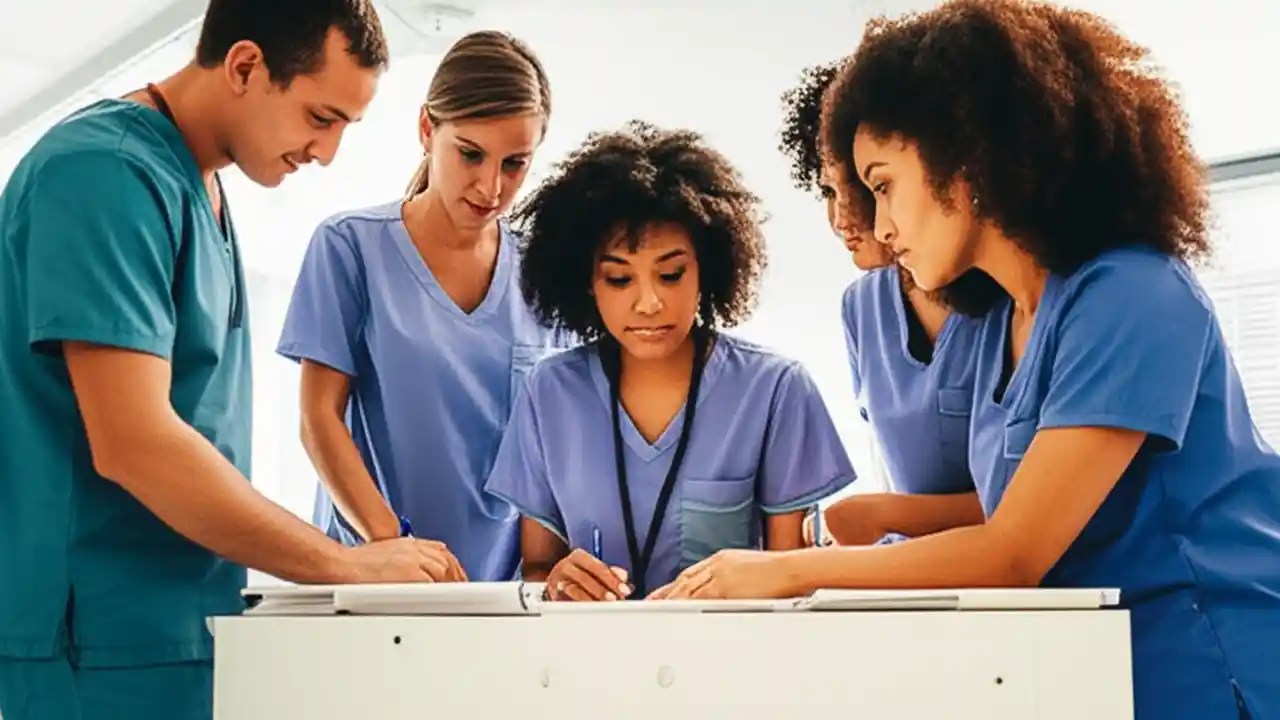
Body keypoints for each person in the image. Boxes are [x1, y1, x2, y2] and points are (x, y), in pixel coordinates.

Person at [656, 2, 1280, 718]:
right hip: (1095, 676)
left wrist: (784, 573)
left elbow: (1013, 552)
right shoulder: (1004, 323)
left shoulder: (1134, 292)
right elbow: (1014, 511)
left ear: (965, 159)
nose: (880, 226)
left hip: (1212, 666)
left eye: (883, 185)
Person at [0, 2, 467, 719]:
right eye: (320, 117)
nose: (327, 152)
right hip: (95, 644)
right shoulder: (103, 174)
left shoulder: (201, 188)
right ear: (245, 66)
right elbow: (133, 441)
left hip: (177, 631)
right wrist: (340, 563)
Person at [484, 121, 856, 600]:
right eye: (620, 279)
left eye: (672, 274)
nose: (649, 303)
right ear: (586, 282)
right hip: (588, 647)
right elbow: (538, 567)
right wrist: (557, 582)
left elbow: (793, 583)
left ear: (707, 268)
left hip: (731, 647)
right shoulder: (549, 393)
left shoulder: (775, 390)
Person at [277, 30, 564, 582]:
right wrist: (393, 546)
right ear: (427, 129)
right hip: (376, 584)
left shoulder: (545, 274)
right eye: (471, 154)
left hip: (502, 599)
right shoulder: (350, 248)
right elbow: (319, 421)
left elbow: (554, 451)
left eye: (515, 164)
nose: (491, 187)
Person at [779, 61, 985, 547]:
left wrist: (881, 515)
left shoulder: (1011, 297)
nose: (840, 218)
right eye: (826, 192)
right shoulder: (862, 308)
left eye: (864, 188)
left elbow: (1034, 511)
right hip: (919, 577)